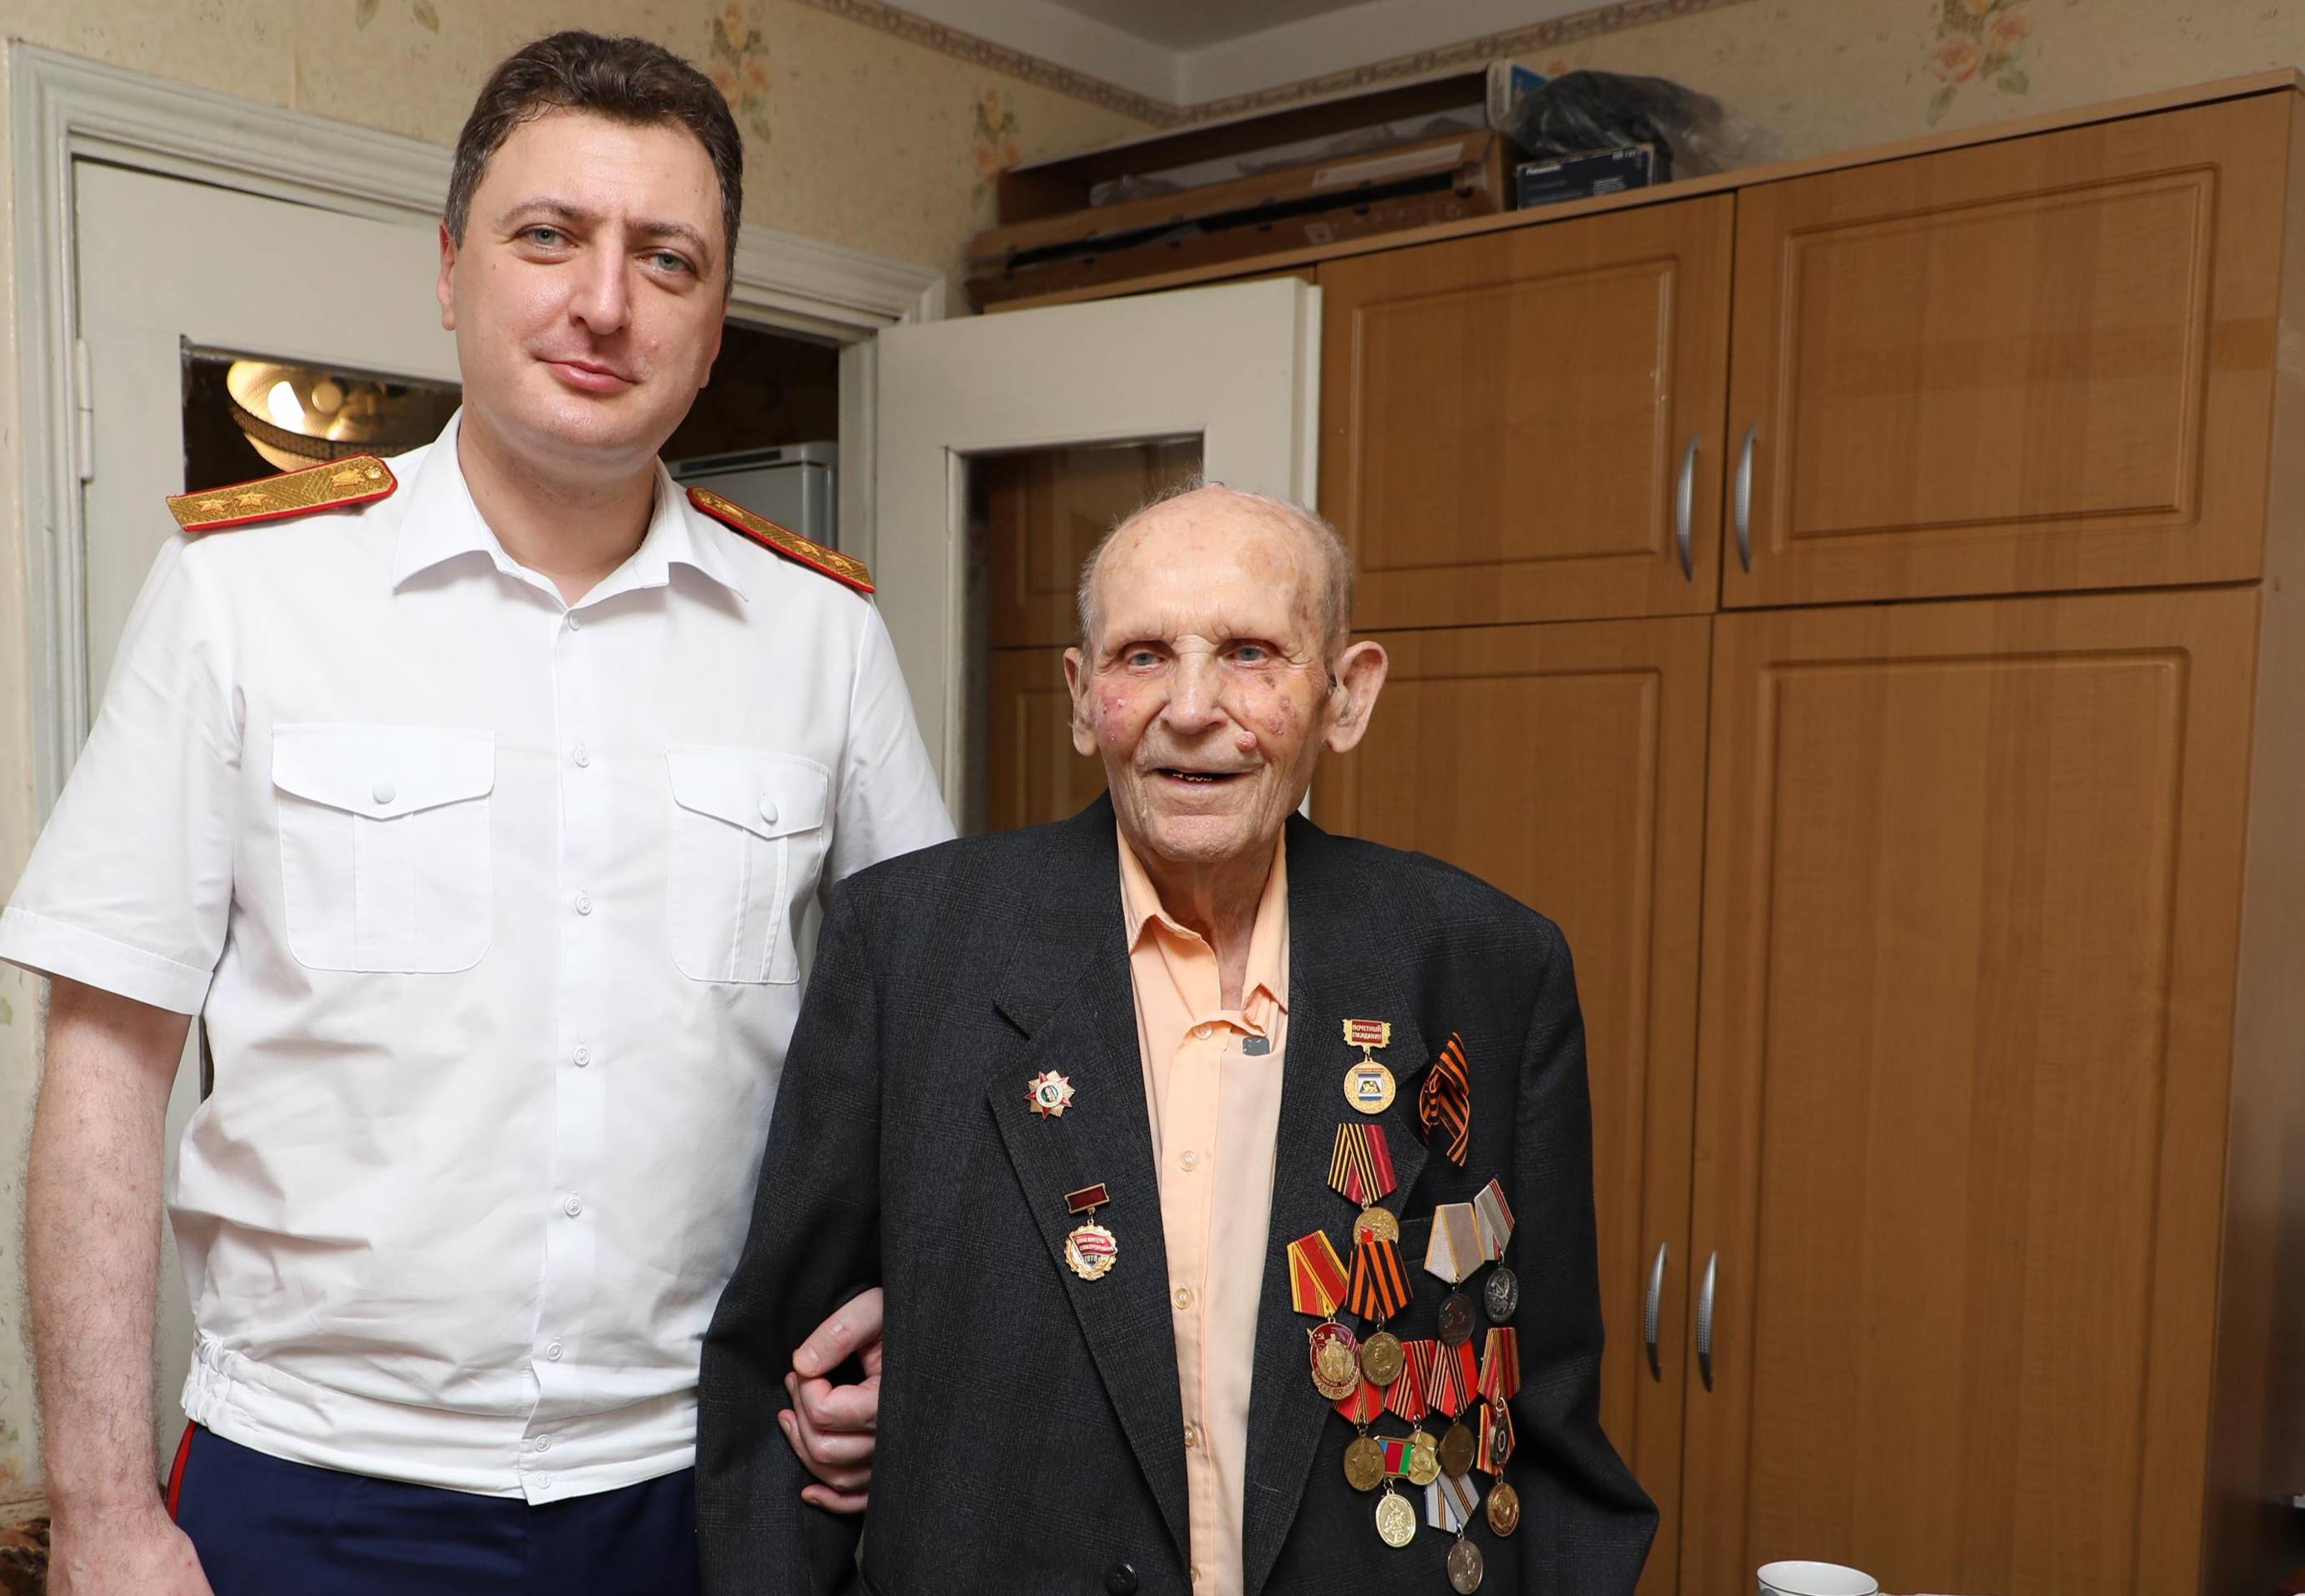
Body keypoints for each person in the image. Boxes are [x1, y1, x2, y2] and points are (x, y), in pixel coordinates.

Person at [0, 32, 948, 1596]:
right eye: (548, 235)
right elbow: (107, 1056)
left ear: (713, 326)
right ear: (449, 271)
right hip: (312, 1483)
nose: (603, 301)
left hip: (701, 1484)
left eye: (667, 258)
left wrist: (906, 1326)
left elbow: (936, 1044)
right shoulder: (243, 594)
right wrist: (100, 1507)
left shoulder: (819, 635)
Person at [698, 483, 1657, 1595]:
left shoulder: (1485, 968)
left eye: (1250, 653)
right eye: (1144, 655)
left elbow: (1544, 1416)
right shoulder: (908, 947)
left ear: (1346, 695)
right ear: (1080, 696)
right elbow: (778, 1389)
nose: (1192, 708)